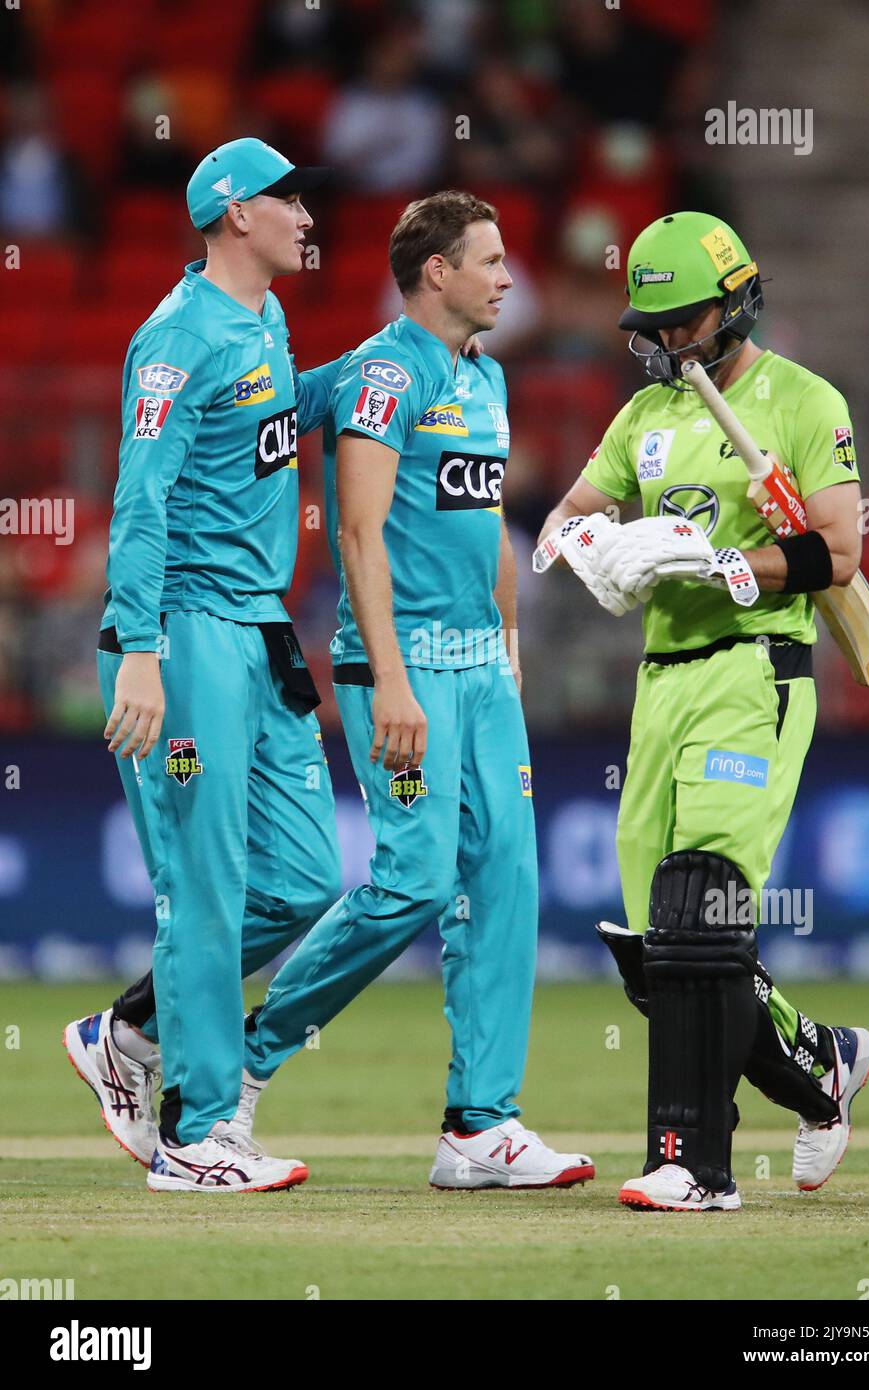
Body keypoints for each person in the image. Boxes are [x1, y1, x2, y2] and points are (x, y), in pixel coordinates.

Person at [227, 191, 595, 1191]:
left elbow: (487, 528)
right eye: (489, 260)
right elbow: (356, 533)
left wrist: (510, 644)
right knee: (417, 880)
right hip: (404, 665)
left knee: (506, 880)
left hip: (483, 667)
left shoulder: (487, 378)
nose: (509, 277)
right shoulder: (387, 375)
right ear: (437, 273)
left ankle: (481, 1125)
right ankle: (243, 1060)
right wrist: (390, 678)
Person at [539, 211, 869, 1211]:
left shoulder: (804, 403)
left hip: (754, 668)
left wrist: (721, 559)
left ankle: (694, 1162)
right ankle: (817, 1063)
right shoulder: (641, 419)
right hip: (663, 682)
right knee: (655, 952)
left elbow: (837, 555)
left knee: (697, 907)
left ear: (733, 305)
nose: (663, 341)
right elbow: (566, 517)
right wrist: (599, 546)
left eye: (681, 322)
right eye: (651, 322)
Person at [64, 138, 352, 1194]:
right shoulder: (177, 341)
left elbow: (270, 422)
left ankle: (130, 1032)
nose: (308, 218)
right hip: (181, 633)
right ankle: (193, 1138)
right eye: (291, 202)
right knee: (206, 888)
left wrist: (356, 373)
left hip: (255, 629)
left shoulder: (265, 321)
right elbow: (140, 500)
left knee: (308, 877)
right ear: (236, 214)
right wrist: (138, 647)